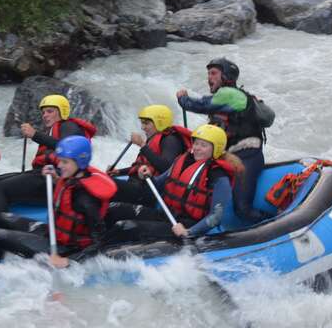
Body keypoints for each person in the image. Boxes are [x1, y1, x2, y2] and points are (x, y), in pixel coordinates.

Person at [0, 135, 117, 268]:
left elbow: (100, 242)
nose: (59, 165)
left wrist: (69, 261)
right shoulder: (74, 178)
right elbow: (68, 191)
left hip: (66, 250)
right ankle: (4, 258)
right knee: (3, 218)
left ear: (80, 162)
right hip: (53, 234)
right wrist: (55, 178)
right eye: (60, 161)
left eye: (65, 162)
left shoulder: (85, 200)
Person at [176, 58, 272, 223]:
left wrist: (183, 99)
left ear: (226, 76)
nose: (209, 78)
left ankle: (272, 223)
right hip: (230, 156)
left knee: (242, 208)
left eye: (214, 73)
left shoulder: (229, 94)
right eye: (208, 74)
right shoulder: (225, 102)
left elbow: (199, 105)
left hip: (247, 155)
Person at [108, 124, 244, 242]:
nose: (197, 148)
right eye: (196, 143)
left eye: (204, 145)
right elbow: (156, 185)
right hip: (167, 215)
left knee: (127, 227)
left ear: (216, 149)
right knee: (113, 210)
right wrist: (146, 176)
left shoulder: (218, 176)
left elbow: (216, 216)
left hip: (187, 225)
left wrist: (189, 232)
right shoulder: (183, 160)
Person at [0, 94, 97, 228]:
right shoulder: (52, 130)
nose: (45, 115)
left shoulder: (69, 125)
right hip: (41, 174)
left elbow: (68, 147)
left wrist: (35, 135)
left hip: (55, 177)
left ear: (62, 112)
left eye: (50, 111)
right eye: (43, 112)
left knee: (1, 188)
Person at [108, 105, 192, 204]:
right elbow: (142, 166)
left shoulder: (171, 140)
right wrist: (118, 172)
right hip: (137, 184)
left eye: (146, 123)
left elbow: (165, 167)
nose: (142, 127)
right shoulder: (154, 138)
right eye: (142, 123)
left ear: (160, 123)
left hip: (148, 190)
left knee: (106, 184)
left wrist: (142, 145)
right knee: (104, 180)